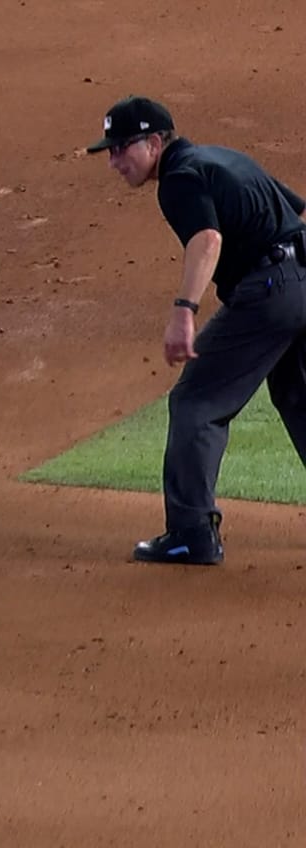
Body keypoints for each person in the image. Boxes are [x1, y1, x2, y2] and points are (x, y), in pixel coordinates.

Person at [89, 96, 306, 565]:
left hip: (271, 289)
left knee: (195, 400)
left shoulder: (180, 178)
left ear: (153, 141)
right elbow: (292, 206)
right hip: (301, 280)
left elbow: (208, 239)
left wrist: (184, 310)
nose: (114, 161)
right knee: (297, 393)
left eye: (121, 148)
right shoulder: (220, 157)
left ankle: (191, 534)